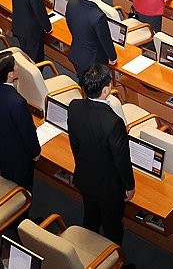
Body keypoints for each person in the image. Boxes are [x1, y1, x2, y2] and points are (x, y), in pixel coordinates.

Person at [67, 64, 135, 246]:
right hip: (109, 187)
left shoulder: (74, 107)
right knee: (113, 226)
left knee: (90, 215)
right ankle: (113, 256)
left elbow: (74, 144)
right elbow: (121, 159)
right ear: (105, 90)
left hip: (84, 175)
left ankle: (89, 248)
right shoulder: (113, 122)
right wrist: (129, 185)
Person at [0, 52, 39, 191]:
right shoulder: (17, 102)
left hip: (0, 146)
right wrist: (35, 152)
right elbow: (27, 131)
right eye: (15, 65)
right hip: (18, 156)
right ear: (10, 74)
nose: (18, 66)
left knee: (7, 175)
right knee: (23, 189)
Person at [66, 0, 117, 77]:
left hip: (76, 53)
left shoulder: (71, 3)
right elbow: (105, 39)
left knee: (82, 81)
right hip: (93, 62)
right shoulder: (98, 16)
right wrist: (113, 57)